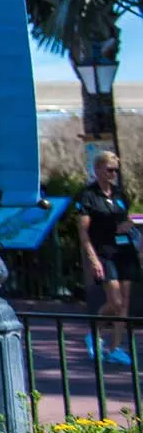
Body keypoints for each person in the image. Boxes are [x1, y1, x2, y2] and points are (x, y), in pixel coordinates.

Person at [78, 151, 137, 364]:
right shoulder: (88, 195)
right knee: (115, 301)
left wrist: (128, 226)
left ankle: (115, 347)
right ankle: (94, 333)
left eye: (115, 170)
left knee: (125, 302)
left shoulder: (119, 194)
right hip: (104, 251)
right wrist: (93, 259)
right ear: (98, 170)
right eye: (109, 169)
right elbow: (83, 231)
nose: (113, 174)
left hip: (124, 251)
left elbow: (124, 218)